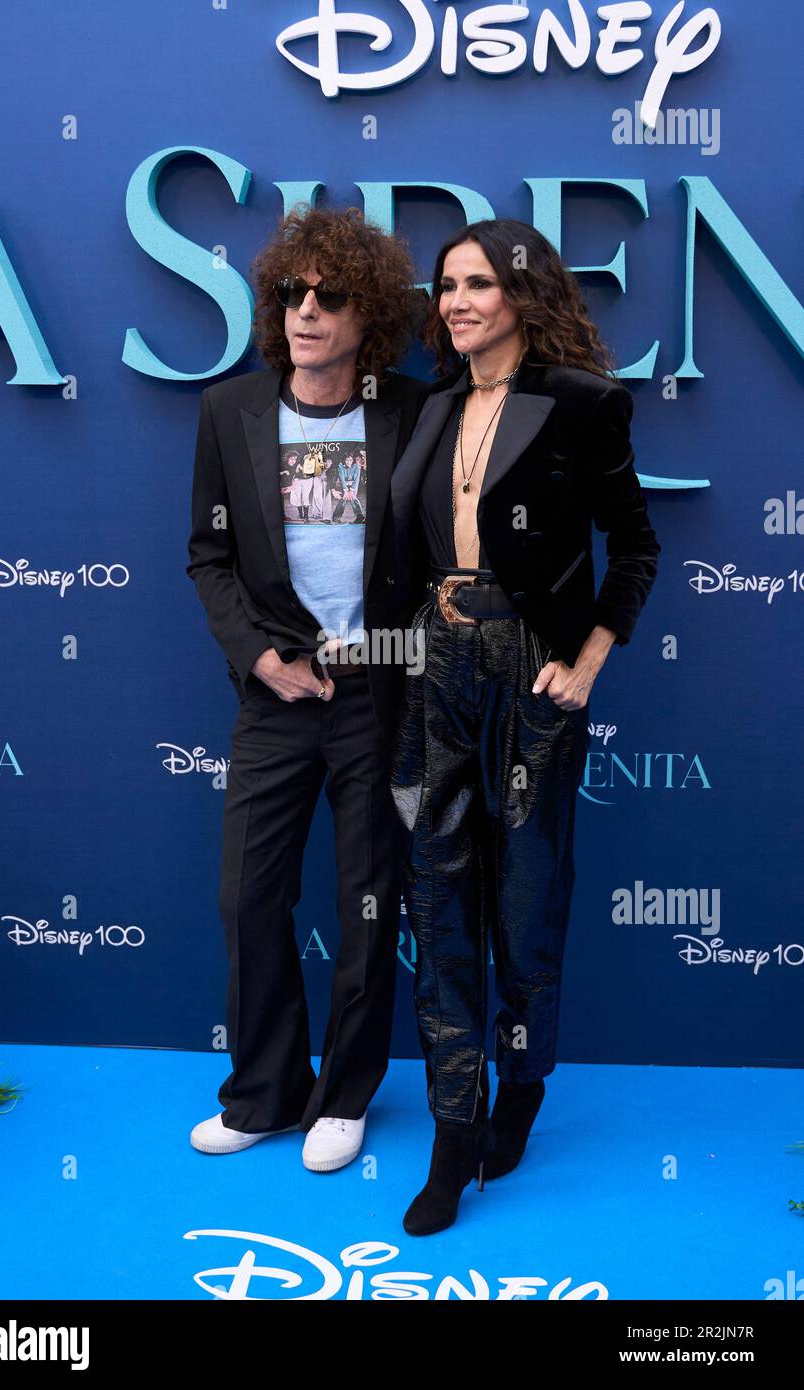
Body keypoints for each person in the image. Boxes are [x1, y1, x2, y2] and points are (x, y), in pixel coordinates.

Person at [388, 218, 661, 1234]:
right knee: (435, 899)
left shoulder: (581, 403)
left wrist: (583, 662)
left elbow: (633, 546)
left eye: (475, 285)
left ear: (520, 293)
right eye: (445, 286)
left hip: (530, 676)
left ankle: (520, 1087)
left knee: (526, 901)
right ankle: (450, 1129)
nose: (454, 302)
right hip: (437, 673)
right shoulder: (431, 407)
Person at [186, 205, 430, 1173]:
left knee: (370, 900)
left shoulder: (408, 410)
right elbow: (208, 555)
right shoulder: (229, 412)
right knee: (247, 897)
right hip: (275, 697)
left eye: (330, 296)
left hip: (379, 697)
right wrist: (259, 656)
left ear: (365, 313)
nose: (307, 311)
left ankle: (345, 1095)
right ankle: (265, 1094)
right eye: (293, 292)